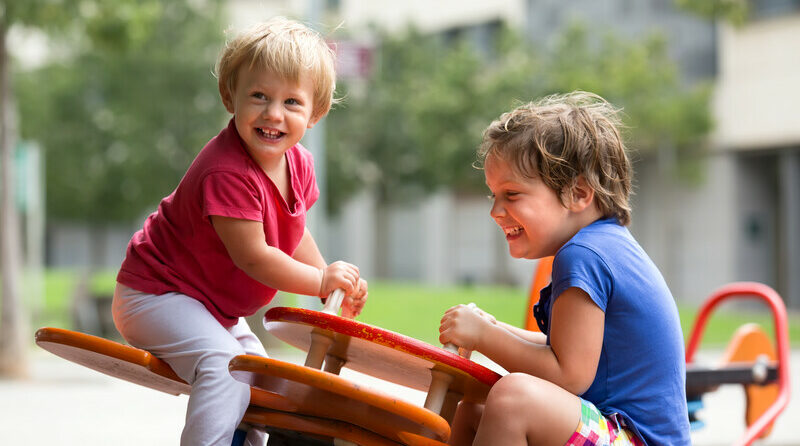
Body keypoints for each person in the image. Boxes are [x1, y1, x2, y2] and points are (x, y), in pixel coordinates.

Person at [112, 17, 367, 446]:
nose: (273, 113)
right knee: (225, 365)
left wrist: (326, 283)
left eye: (291, 102)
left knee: (263, 380)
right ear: (230, 96)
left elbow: (291, 233)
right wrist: (320, 280)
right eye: (259, 96)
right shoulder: (227, 170)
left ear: (315, 113)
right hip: (154, 295)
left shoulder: (299, 164)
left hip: (208, 307)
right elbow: (256, 257)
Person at [439, 91, 690, 445]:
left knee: (513, 399)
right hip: (615, 431)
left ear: (577, 194)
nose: (495, 211)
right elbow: (568, 349)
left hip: (633, 438)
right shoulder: (604, 244)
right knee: (472, 412)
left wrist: (484, 336)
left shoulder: (585, 254)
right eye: (492, 195)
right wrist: (495, 329)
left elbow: (568, 375)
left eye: (511, 195)